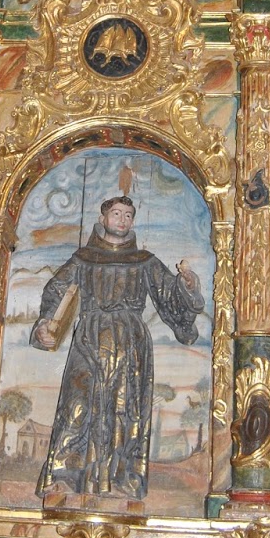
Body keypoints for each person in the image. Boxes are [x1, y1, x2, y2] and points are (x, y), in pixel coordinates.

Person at [30, 195, 204, 501]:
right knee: (76, 406)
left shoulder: (144, 261)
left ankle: (122, 479)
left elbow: (170, 295)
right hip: (89, 340)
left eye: (128, 215)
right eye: (116, 213)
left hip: (130, 343)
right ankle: (65, 475)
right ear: (103, 219)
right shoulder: (83, 259)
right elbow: (56, 292)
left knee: (127, 411)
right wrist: (46, 324)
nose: (122, 220)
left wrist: (187, 285)